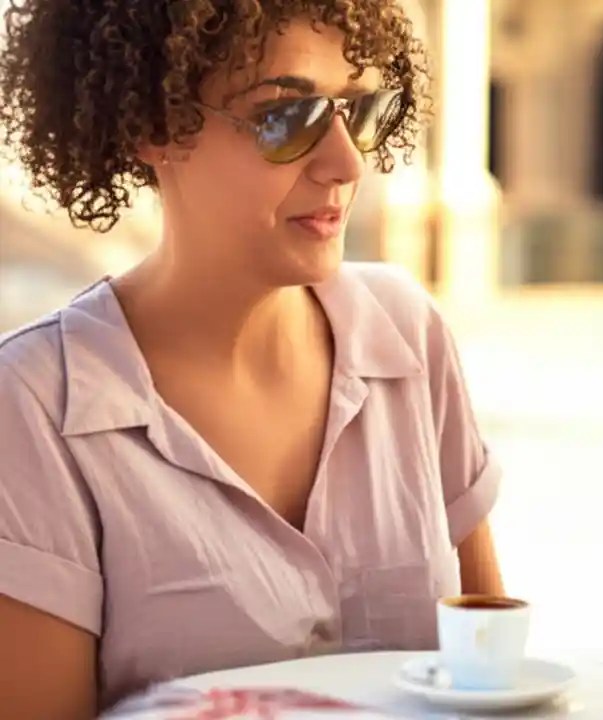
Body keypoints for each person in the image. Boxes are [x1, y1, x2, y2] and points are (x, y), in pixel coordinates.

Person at [0, 2, 504, 717]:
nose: (346, 162)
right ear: (153, 125)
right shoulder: (35, 407)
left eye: (358, 111)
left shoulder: (408, 334)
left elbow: (495, 670)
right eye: (286, 118)